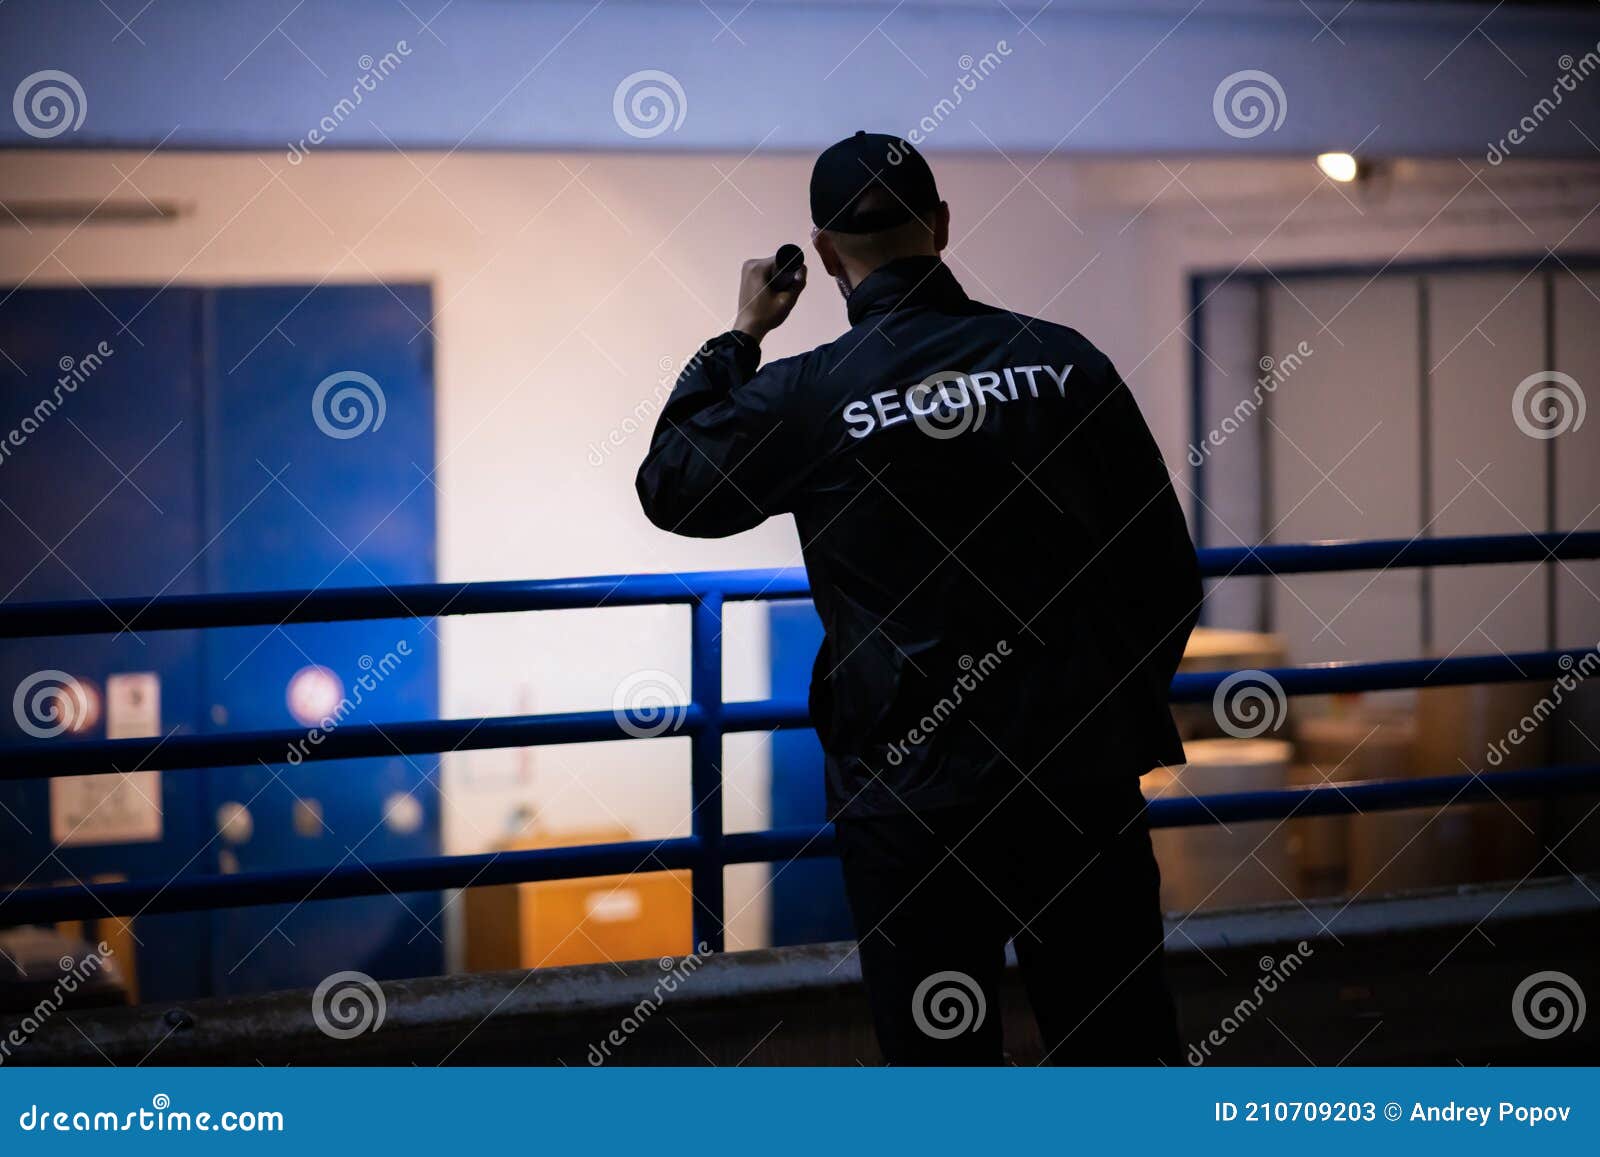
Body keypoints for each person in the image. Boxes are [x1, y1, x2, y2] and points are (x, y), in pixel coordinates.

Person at [636, 131, 1200, 1065]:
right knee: (1121, 1053)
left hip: (912, 805)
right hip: (1074, 786)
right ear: (940, 225)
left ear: (821, 256)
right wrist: (1106, 721)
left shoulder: (810, 395)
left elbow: (672, 485)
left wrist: (740, 336)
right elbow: (1164, 575)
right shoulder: (1065, 364)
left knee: (943, 1073)